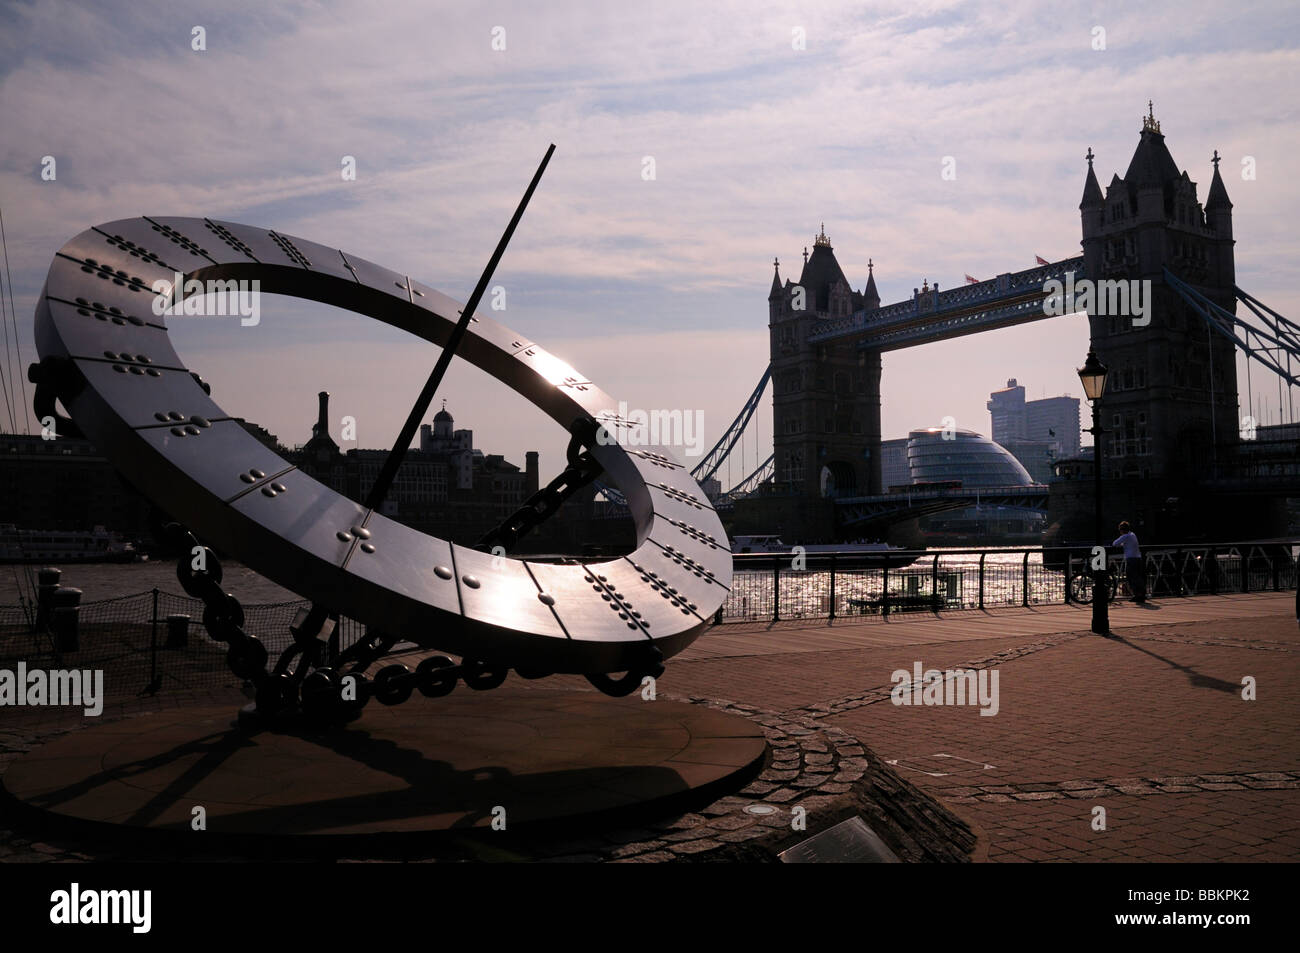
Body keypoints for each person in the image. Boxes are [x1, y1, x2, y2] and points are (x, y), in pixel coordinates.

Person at [1112, 521, 1146, 604]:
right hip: (1138, 558)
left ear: (1122, 530)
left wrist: (1122, 541)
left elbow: (1114, 543)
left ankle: (1138, 595)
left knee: (1132, 577)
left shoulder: (1125, 536)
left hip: (1131, 559)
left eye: (1120, 530)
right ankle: (1141, 595)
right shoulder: (1132, 534)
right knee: (1137, 577)